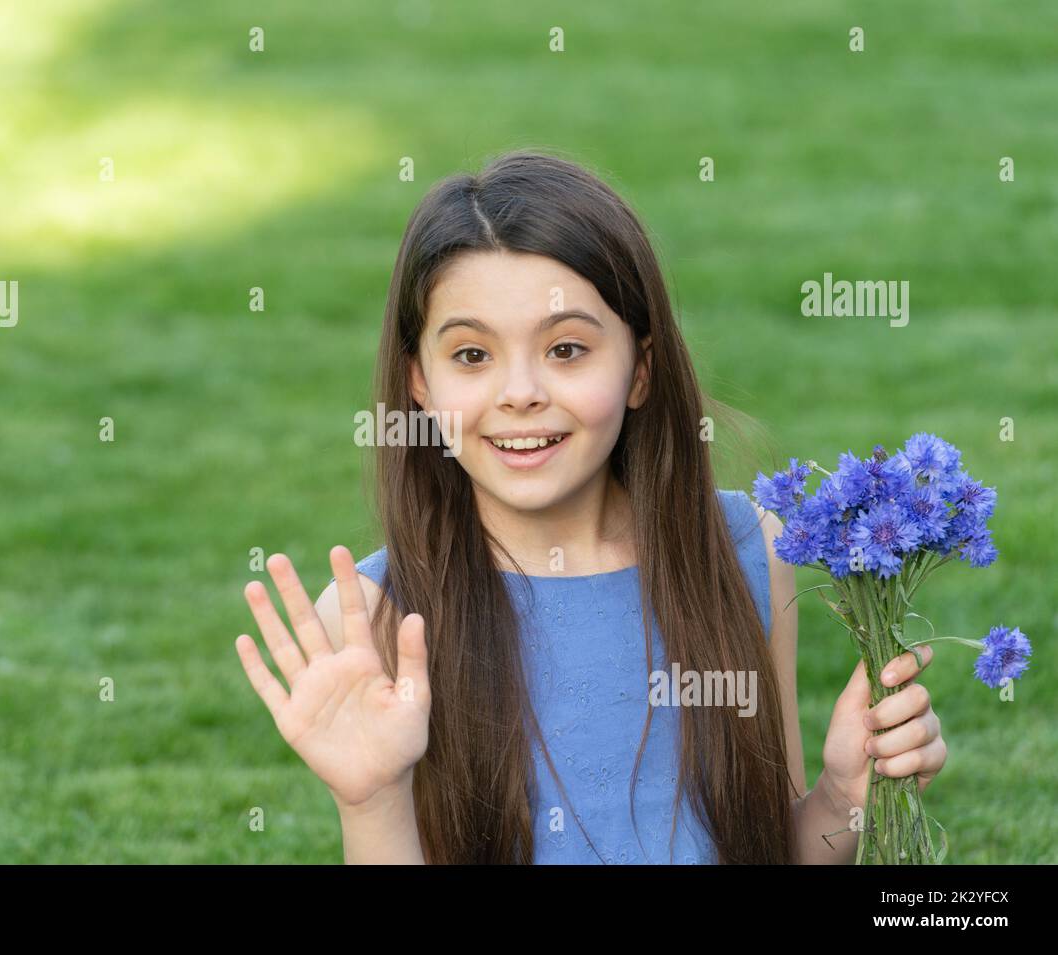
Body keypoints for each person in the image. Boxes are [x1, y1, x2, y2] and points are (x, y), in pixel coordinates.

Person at [234, 150, 946, 864]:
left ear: (640, 366)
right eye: (472, 356)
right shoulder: (376, 614)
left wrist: (843, 795)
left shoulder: (746, 549)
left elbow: (766, 850)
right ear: (419, 382)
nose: (520, 392)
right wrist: (372, 801)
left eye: (566, 349)